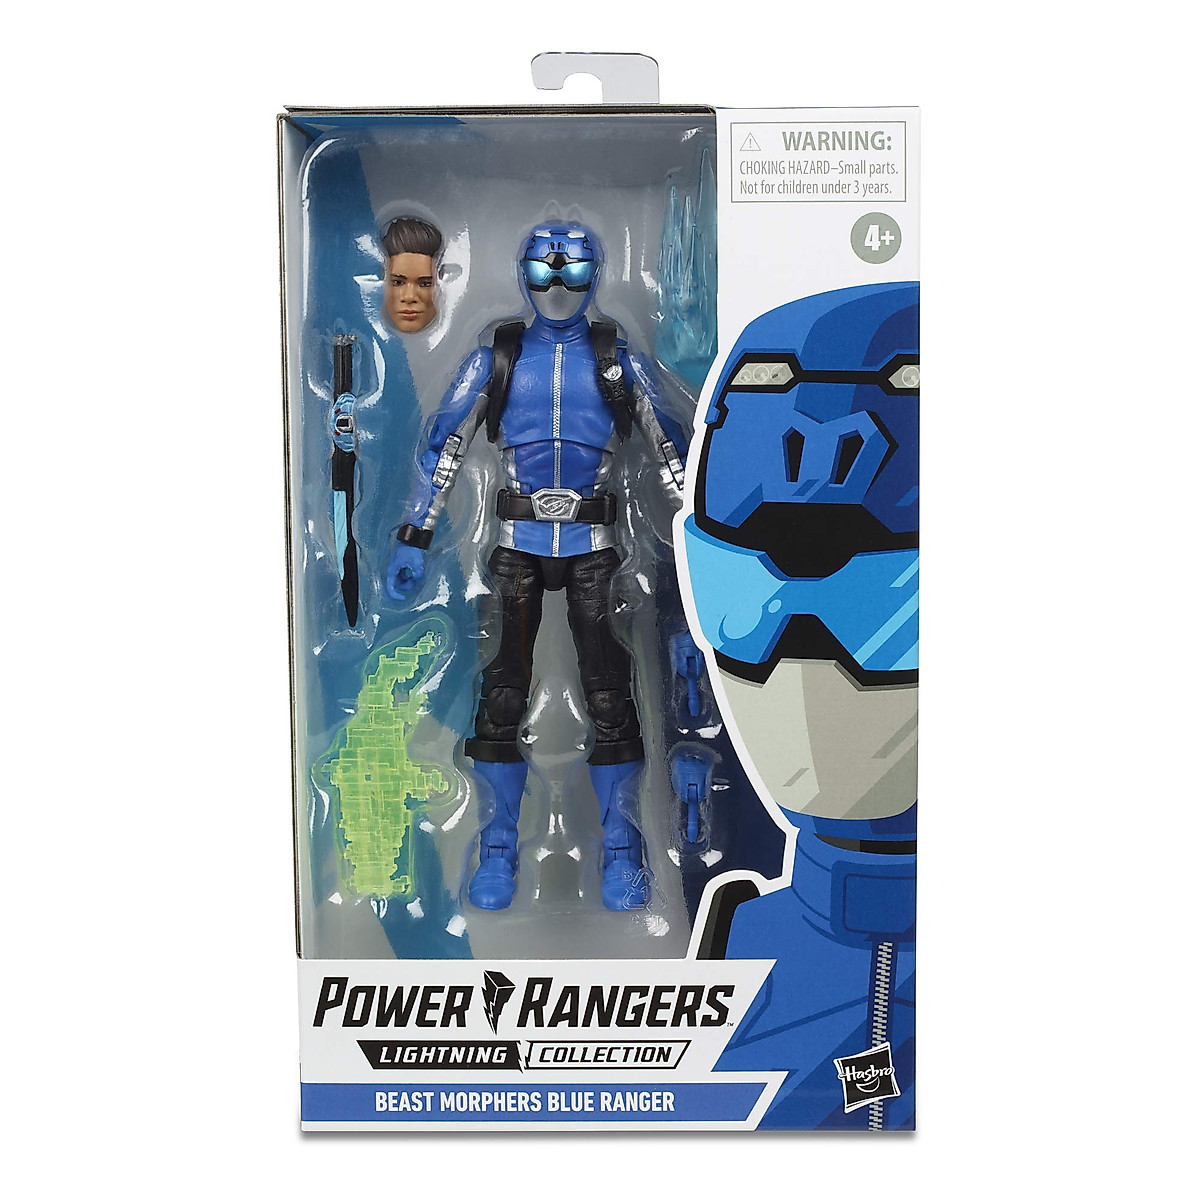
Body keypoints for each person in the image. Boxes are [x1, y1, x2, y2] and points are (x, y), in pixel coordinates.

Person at [386, 221, 688, 911]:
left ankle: (621, 844)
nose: (557, 286)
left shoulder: (618, 362)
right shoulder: (497, 359)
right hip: (516, 545)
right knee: (502, 697)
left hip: (594, 547)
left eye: (572, 272)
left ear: (595, 275)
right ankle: (497, 845)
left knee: (610, 697)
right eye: (545, 272)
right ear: (523, 274)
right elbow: (444, 446)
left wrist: (697, 534)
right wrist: (415, 535)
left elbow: (672, 453)